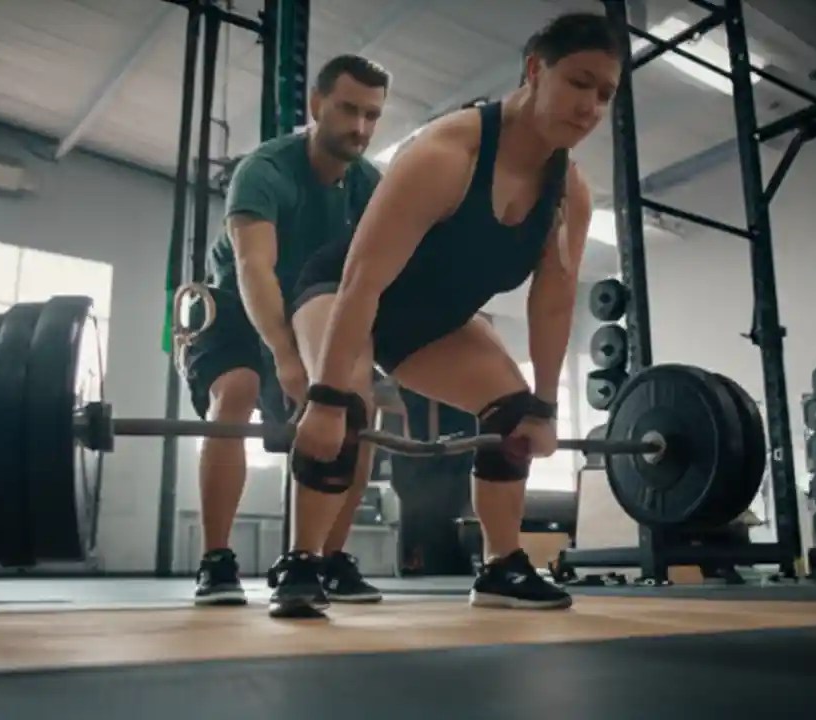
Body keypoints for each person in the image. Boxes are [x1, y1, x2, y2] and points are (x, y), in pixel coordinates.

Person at [267, 12, 622, 617]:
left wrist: (542, 403)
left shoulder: (570, 192)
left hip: (429, 323)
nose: (590, 107)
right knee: (347, 402)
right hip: (342, 289)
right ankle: (304, 562)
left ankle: (502, 565)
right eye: (579, 82)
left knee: (510, 413)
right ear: (536, 70)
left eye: (606, 94)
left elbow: (554, 300)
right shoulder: (446, 153)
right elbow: (364, 278)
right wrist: (326, 399)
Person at [180, 54, 391, 606]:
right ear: (318, 105)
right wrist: (287, 358)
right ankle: (216, 560)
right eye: (348, 110)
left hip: (310, 310)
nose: (360, 128)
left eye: (372, 116)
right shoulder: (265, 170)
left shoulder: (370, 185)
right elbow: (254, 269)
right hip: (235, 306)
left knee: (358, 409)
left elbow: (377, 275)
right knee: (237, 392)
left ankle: (324, 560)